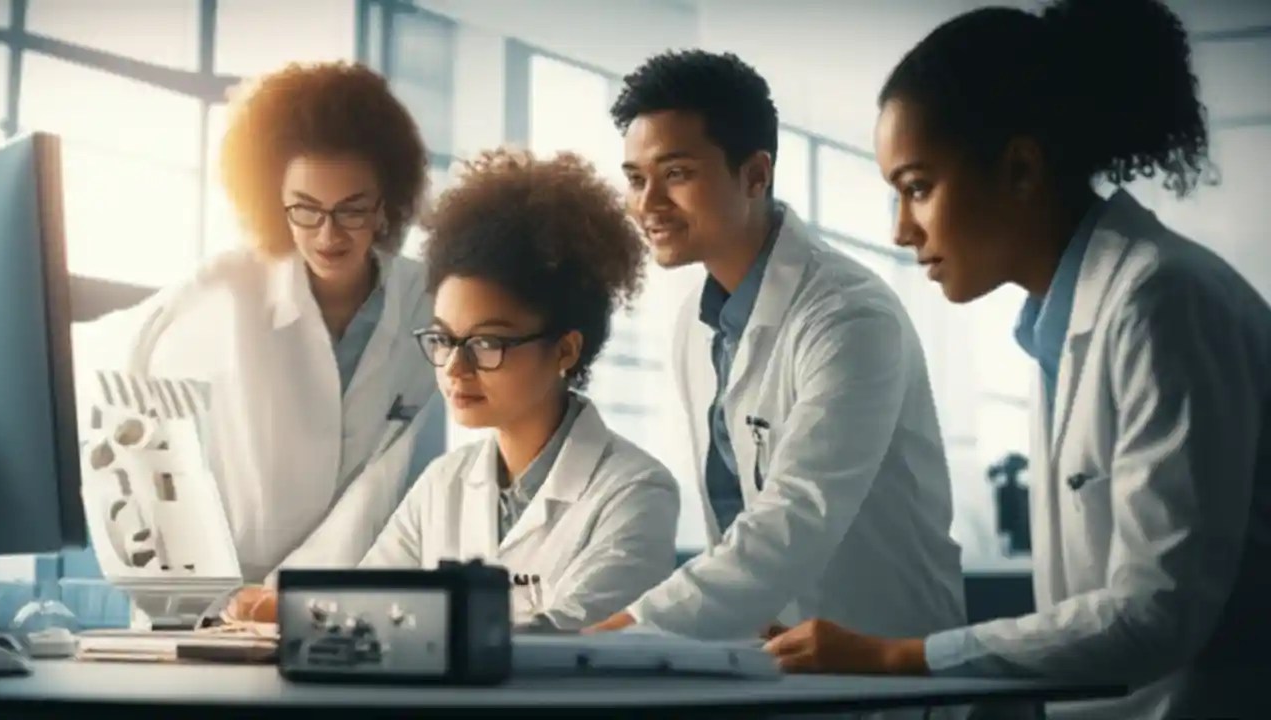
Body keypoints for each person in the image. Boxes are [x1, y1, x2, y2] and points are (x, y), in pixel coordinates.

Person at [764, 1, 1271, 718]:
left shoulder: (1161, 301)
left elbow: (1159, 612)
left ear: (1021, 168)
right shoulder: (1067, 322)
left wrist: (896, 657)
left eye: (917, 188)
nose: (902, 230)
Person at [587, 50, 966, 649]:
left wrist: (627, 631)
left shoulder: (849, 315)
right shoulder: (696, 322)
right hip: (772, 663)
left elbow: (796, 514)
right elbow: (733, 523)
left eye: (677, 173)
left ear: (755, 175)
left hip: (884, 670)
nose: (647, 202)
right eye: (636, 178)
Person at [229, 149, 680, 630]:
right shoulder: (443, 484)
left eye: (487, 342)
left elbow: (568, 638)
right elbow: (360, 606)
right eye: (443, 338)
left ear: (566, 350)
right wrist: (288, 609)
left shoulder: (635, 491)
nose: (455, 368)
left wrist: (326, 615)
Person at [72, 62, 441, 583]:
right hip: (222, 594)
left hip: (352, 588)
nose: (328, 234)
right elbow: (115, 395)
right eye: (305, 209)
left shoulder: (425, 303)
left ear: (386, 206)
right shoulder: (223, 290)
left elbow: (387, 480)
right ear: (275, 201)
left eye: (352, 210)